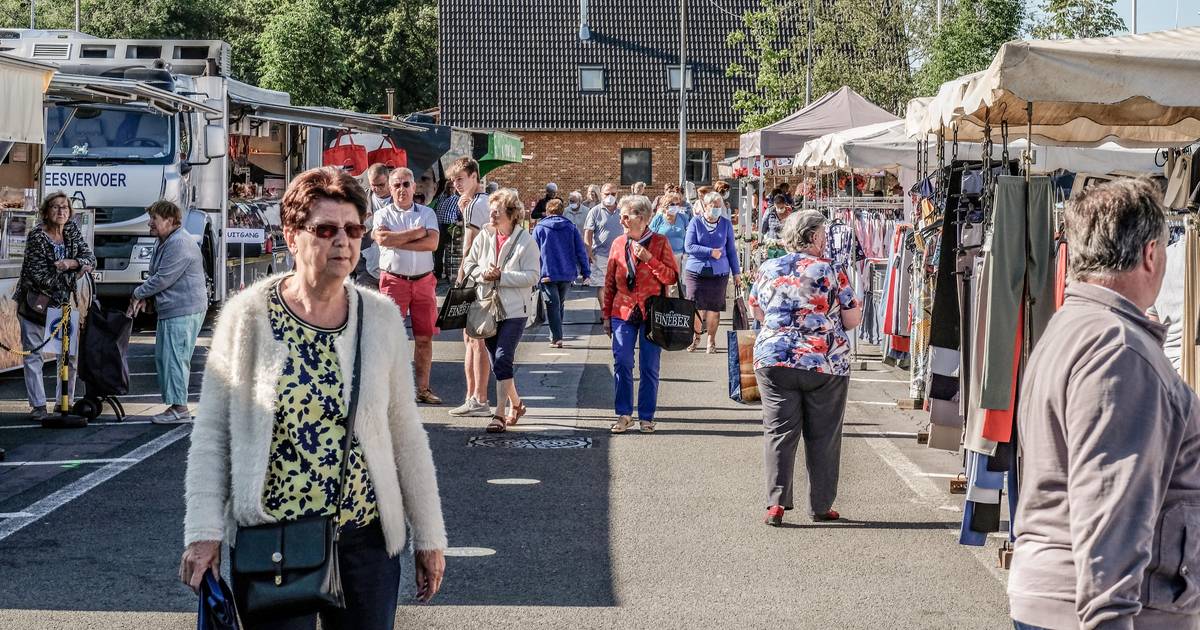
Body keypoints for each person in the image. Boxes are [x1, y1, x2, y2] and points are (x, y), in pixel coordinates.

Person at [179, 167, 447, 629]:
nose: (342, 241)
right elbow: (212, 435)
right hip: (274, 540)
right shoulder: (248, 317)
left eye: (353, 229)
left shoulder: (378, 318)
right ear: (292, 236)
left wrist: (429, 535)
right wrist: (204, 534)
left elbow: (405, 432)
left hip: (364, 542)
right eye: (325, 229)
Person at [1008, 178, 1200, 630]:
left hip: (1065, 593)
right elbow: (1112, 499)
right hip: (1101, 606)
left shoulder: (1074, 325)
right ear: (1151, 254)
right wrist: (1109, 617)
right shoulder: (1118, 347)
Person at [750, 210, 861, 528]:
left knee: (778, 431)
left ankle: (776, 504)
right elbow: (852, 320)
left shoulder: (769, 267)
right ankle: (821, 505)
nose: (826, 240)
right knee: (824, 434)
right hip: (823, 361)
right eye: (823, 235)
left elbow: (755, 308)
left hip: (774, 358)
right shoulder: (831, 269)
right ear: (812, 236)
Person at [461, 188, 541, 433]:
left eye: (497, 212)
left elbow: (533, 275)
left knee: (503, 356)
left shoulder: (525, 241)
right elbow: (470, 264)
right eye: (491, 211)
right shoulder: (485, 236)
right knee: (498, 362)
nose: (492, 216)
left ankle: (499, 414)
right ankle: (517, 404)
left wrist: (502, 276)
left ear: (511, 214)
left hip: (515, 309)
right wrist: (482, 275)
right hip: (488, 307)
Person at [602, 195, 679, 435]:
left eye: (628, 215)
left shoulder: (659, 242)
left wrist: (649, 259)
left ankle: (647, 416)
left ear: (644, 219)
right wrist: (606, 315)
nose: (622, 219)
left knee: (649, 366)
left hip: (651, 312)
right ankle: (624, 414)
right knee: (622, 362)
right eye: (622, 215)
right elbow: (609, 283)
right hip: (622, 310)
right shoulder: (617, 243)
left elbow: (671, 277)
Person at [15, 192, 95, 422]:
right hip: (36, 302)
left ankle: (64, 402)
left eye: (65, 207)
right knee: (34, 354)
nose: (61, 211)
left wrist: (72, 263)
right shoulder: (37, 236)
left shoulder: (71, 231)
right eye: (55, 207)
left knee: (68, 354)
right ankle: (38, 405)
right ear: (46, 211)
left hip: (64, 303)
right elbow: (39, 275)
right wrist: (73, 274)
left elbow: (90, 257)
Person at [128, 200, 208, 424]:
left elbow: (163, 278)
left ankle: (180, 409)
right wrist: (148, 298)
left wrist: (138, 294)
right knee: (166, 357)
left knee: (175, 357)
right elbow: (158, 276)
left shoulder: (179, 244)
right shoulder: (165, 241)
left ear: (170, 221)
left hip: (183, 308)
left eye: (155, 218)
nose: (150, 223)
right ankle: (175, 405)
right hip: (173, 308)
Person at [373, 167, 442, 405]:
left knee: (424, 338)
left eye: (406, 185)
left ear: (414, 187)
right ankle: (389, 391)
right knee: (389, 338)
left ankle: (423, 388)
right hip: (394, 281)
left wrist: (398, 241)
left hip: (423, 281)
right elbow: (382, 239)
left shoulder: (427, 213)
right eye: (396, 185)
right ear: (390, 189)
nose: (401, 189)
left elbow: (432, 243)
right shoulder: (382, 215)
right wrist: (416, 233)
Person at [449, 158, 494, 418]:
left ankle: (478, 398)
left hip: (474, 276)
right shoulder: (480, 202)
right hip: (481, 275)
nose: (456, 185)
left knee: (475, 339)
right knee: (471, 338)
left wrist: (460, 274)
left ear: (475, 177)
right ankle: (473, 396)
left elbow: (470, 243)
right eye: (454, 181)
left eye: (461, 179)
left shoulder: (475, 205)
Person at [684, 191, 741, 353]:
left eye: (718, 206)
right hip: (696, 272)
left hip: (719, 273)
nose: (716, 209)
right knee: (696, 307)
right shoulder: (695, 222)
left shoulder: (726, 224)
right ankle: (695, 338)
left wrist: (736, 273)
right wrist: (710, 252)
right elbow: (689, 247)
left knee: (714, 308)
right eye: (713, 206)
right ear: (705, 206)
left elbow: (731, 250)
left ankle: (711, 340)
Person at [533, 198, 590, 348]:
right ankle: (556, 335)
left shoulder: (540, 228)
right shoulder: (570, 227)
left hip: (547, 272)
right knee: (559, 304)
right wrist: (586, 272)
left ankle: (557, 337)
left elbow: (532, 252)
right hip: (566, 273)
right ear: (562, 211)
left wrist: (532, 273)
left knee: (552, 304)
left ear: (547, 211)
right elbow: (581, 251)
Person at [584, 183, 622, 311]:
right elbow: (588, 232)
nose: (610, 196)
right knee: (602, 285)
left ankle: (616, 310)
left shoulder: (622, 210)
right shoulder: (595, 211)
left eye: (613, 194)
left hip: (620, 255)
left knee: (619, 285)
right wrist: (589, 252)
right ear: (601, 194)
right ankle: (605, 313)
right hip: (600, 254)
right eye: (607, 194)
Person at [649, 190, 690, 270]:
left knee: (678, 281)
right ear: (666, 205)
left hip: (679, 256)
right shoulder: (658, 218)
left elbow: (688, 237)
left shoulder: (683, 217)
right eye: (672, 204)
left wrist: (686, 254)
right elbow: (650, 237)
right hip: (662, 257)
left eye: (677, 204)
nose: (675, 206)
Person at [433, 180, 460, 281]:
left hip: (449, 227)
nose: (449, 190)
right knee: (438, 250)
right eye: (448, 187)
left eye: (451, 188)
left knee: (449, 251)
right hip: (438, 226)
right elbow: (436, 209)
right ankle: (438, 272)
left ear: (455, 188)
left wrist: (457, 223)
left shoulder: (457, 200)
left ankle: (449, 274)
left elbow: (460, 215)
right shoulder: (441, 198)